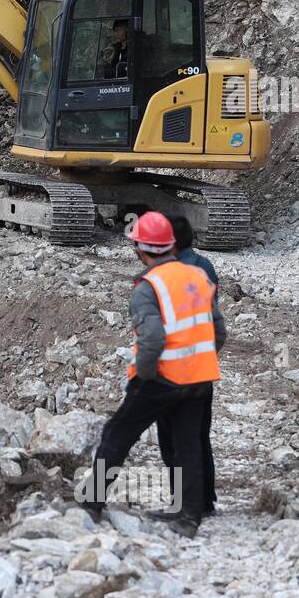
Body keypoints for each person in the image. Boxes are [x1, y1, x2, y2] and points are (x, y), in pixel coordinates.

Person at [78, 211, 225, 537]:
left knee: (117, 434)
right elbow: (218, 330)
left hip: (161, 378)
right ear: (171, 246)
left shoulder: (148, 287)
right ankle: (189, 516)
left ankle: (92, 501)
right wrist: (199, 360)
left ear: (140, 249)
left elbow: (153, 338)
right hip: (199, 378)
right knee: (188, 444)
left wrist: (144, 376)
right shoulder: (198, 276)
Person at [155, 215, 220, 515]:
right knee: (198, 434)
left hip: (173, 369)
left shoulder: (166, 273)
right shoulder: (205, 267)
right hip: (202, 365)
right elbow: (216, 323)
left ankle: (184, 504)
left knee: (174, 441)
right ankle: (205, 499)